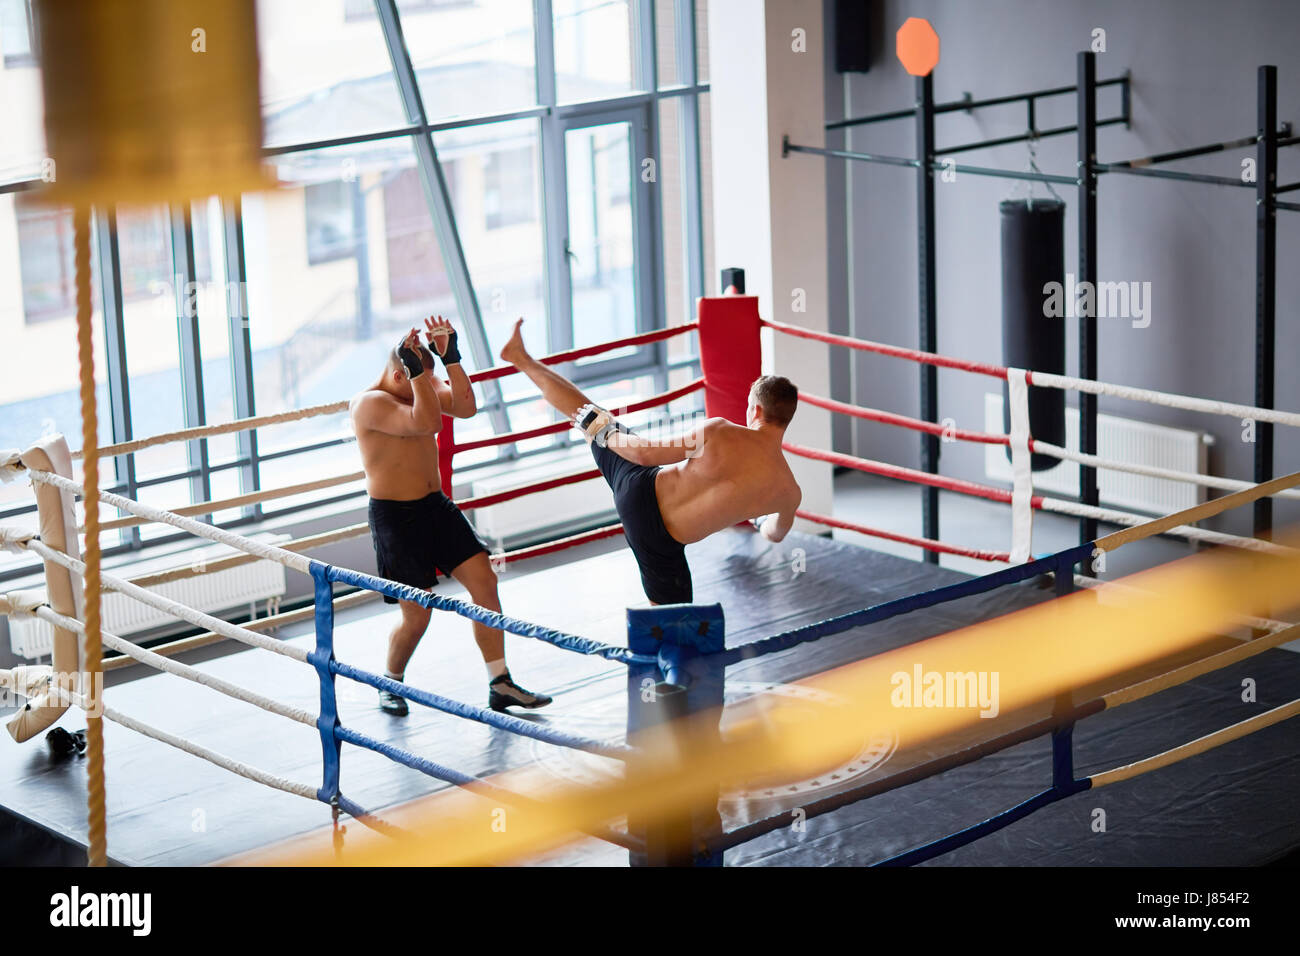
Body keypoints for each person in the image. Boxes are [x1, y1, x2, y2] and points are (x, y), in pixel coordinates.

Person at [500, 317, 802, 605]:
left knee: (588, 411)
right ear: (787, 419)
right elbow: (775, 534)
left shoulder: (719, 431)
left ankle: (521, 359)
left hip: (639, 493)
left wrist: (603, 431)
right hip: (661, 543)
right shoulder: (788, 490)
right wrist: (761, 520)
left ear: (756, 411)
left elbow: (644, 453)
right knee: (674, 625)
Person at [350, 317, 552, 715]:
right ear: (398, 373)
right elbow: (427, 422)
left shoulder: (418, 384)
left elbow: (465, 407)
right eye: (414, 378)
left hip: (435, 507)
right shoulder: (370, 404)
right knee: (417, 615)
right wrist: (421, 379)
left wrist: (451, 358)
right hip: (396, 518)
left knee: (485, 582)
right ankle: (389, 680)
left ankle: (500, 682)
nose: (424, 385)